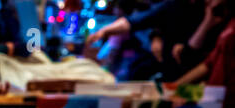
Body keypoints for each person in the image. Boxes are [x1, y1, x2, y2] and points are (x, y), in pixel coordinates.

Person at [85, 0, 215, 79]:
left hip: (203, 78)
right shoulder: (173, 5)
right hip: (172, 74)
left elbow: (193, 53)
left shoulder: (213, 11)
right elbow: (135, 21)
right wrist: (104, 31)